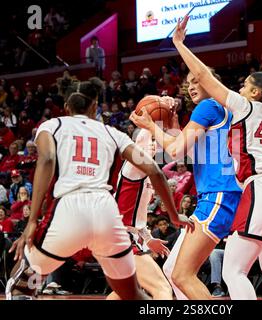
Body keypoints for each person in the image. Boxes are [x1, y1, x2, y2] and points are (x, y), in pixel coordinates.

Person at [5, 78, 192, 300]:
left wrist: (33, 220)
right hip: (107, 217)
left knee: (22, 288)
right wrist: (174, 214)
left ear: (66, 107)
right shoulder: (113, 133)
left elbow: (46, 161)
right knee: (134, 295)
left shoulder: (52, 125)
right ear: (95, 106)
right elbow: (155, 170)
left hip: (70, 212)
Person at [166, 15, 262, 300]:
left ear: (253, 92)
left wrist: (179, 43)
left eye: (244, 85)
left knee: (233, 272)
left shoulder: (243, 107)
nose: (238, 88)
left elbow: (204, 76)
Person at [130, 43, 242, 300]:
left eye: (196, 81)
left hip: (218, 194)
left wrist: (150, 124)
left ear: (209, 82)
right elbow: (188, 150)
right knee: (172, 270)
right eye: (188, 83)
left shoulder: (209, 107)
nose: (191, 86)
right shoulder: (222, 110)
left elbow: (176, 151)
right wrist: (171, 120)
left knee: (181, 275)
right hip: (222, 195)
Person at [107, 129, 175, 300]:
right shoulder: (133, 166)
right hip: (121, 237)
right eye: (150, 140)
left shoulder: (146, 171)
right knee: (162, 288)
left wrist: (148, 239)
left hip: (120, 235)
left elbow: (137, 218)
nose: (153, 143)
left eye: (155, 140)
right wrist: (150, 115)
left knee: (125, 293)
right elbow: (142, 138)